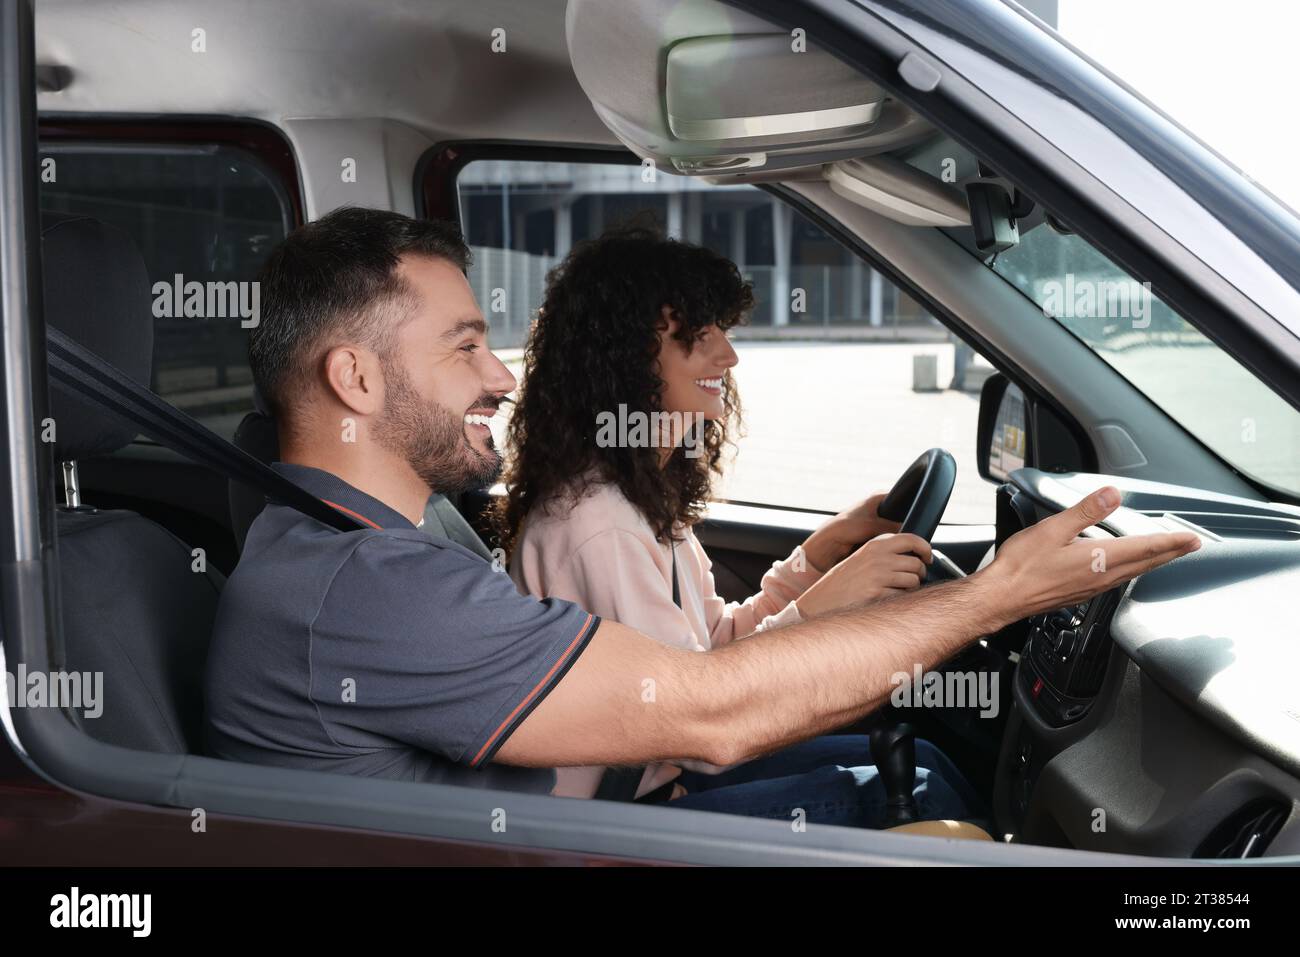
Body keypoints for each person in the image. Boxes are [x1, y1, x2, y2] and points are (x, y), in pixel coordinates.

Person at [204, 206, 1200, 827]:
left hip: (585, 817)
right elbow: (702, 717)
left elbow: (692, 669)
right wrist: (992, 597)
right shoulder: (367, 585)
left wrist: (811, 570)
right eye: (465, 347)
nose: (500, 375)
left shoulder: (370, 552)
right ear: (356, 377)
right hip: (614, 825)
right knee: (939, 804)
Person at [498, 226, 982, 826]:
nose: (728, 356)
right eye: (698, 340)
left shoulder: (640, 493)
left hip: (673, 772)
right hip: (627, 811)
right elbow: (699, 726)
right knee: (926, 794)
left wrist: (820, 554)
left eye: (721, 332)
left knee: (926, 756)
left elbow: (715, 647)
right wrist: (831, 602)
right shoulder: (602, 525)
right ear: (624, 360)